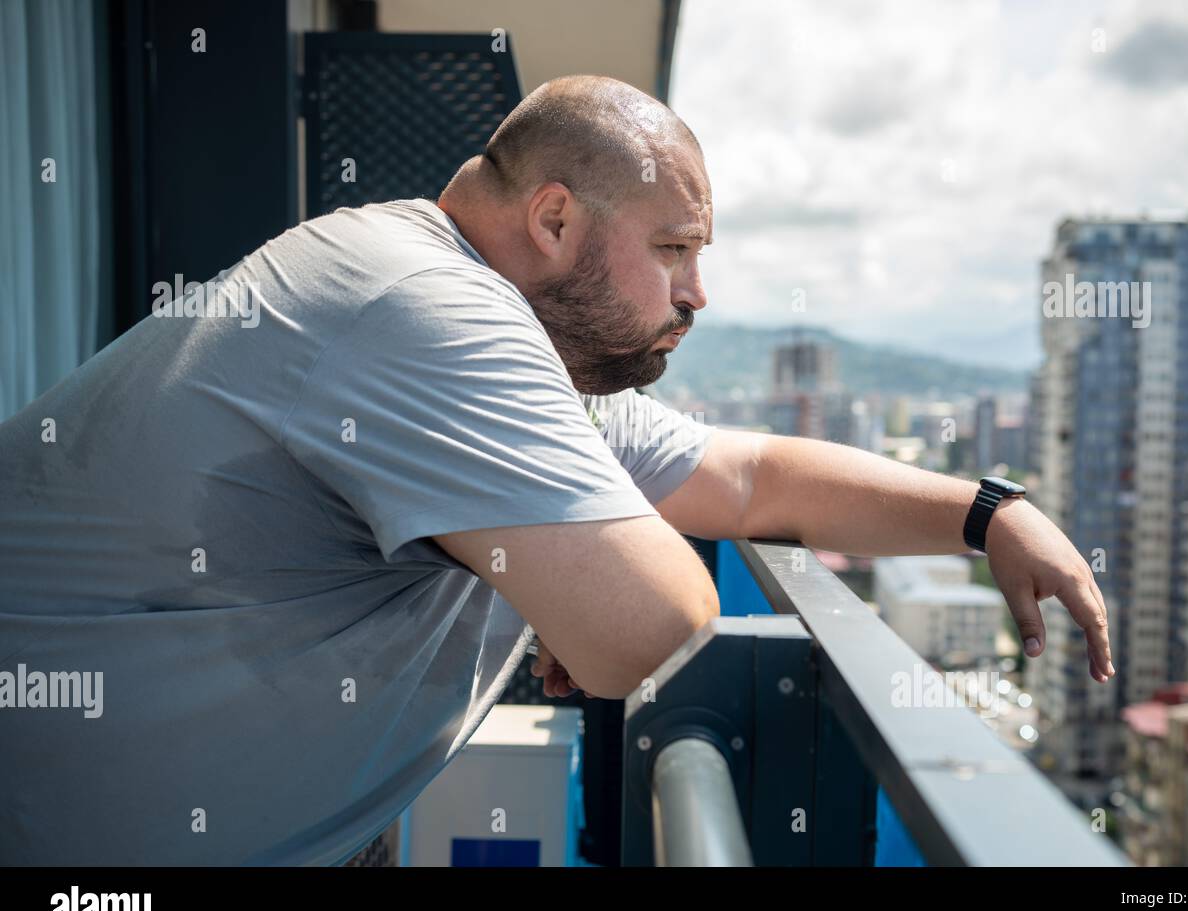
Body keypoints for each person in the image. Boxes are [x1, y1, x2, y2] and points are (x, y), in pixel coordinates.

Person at [0, 75, 1111, 865]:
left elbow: (741, 474)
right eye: (674, 249)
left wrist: (988, 511)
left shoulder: (467, 322)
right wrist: (559, 593)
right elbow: (650, 622)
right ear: (552, 217)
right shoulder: (428, 314)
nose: (696, 294)